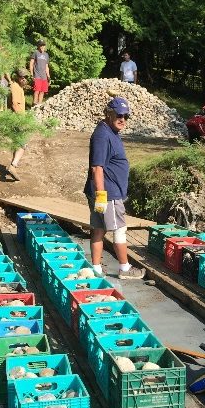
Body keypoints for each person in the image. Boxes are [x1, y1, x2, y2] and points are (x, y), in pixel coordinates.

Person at [84, 96, 145, 279]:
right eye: (119, 115)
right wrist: (101, 195)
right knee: (119, 230)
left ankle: (95, 269)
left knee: (99, 229)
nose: (123, 119)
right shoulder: (102, 135)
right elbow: (97, 168)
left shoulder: (110, 131)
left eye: (126, 116)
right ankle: (125, 269)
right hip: (108, 193)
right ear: (108, 113)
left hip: (105, 192)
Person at [6, 68, 29, 180]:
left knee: (18, 143)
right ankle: (13, 165)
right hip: (17, 119)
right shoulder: (15, 87)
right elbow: (14, 104)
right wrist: (22, 120)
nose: (24, 79)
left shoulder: (18, 87)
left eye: (25, 77)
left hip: (17, 118)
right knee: (22, 144)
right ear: (17, 77)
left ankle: (12, 165)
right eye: (22, 77)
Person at [29, 38, 50, 105]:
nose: (42, 47)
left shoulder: (46, 55)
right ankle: (34, 104)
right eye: (40, 45)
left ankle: (39, 105)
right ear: (38, 46)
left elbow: (46, 66)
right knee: (37, 90)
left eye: (43, 45)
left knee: (42, 91)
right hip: (37, 75)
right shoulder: (36, 53)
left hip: (44, 76)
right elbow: (31, 64)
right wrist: (32, 74)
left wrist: (48, 76)